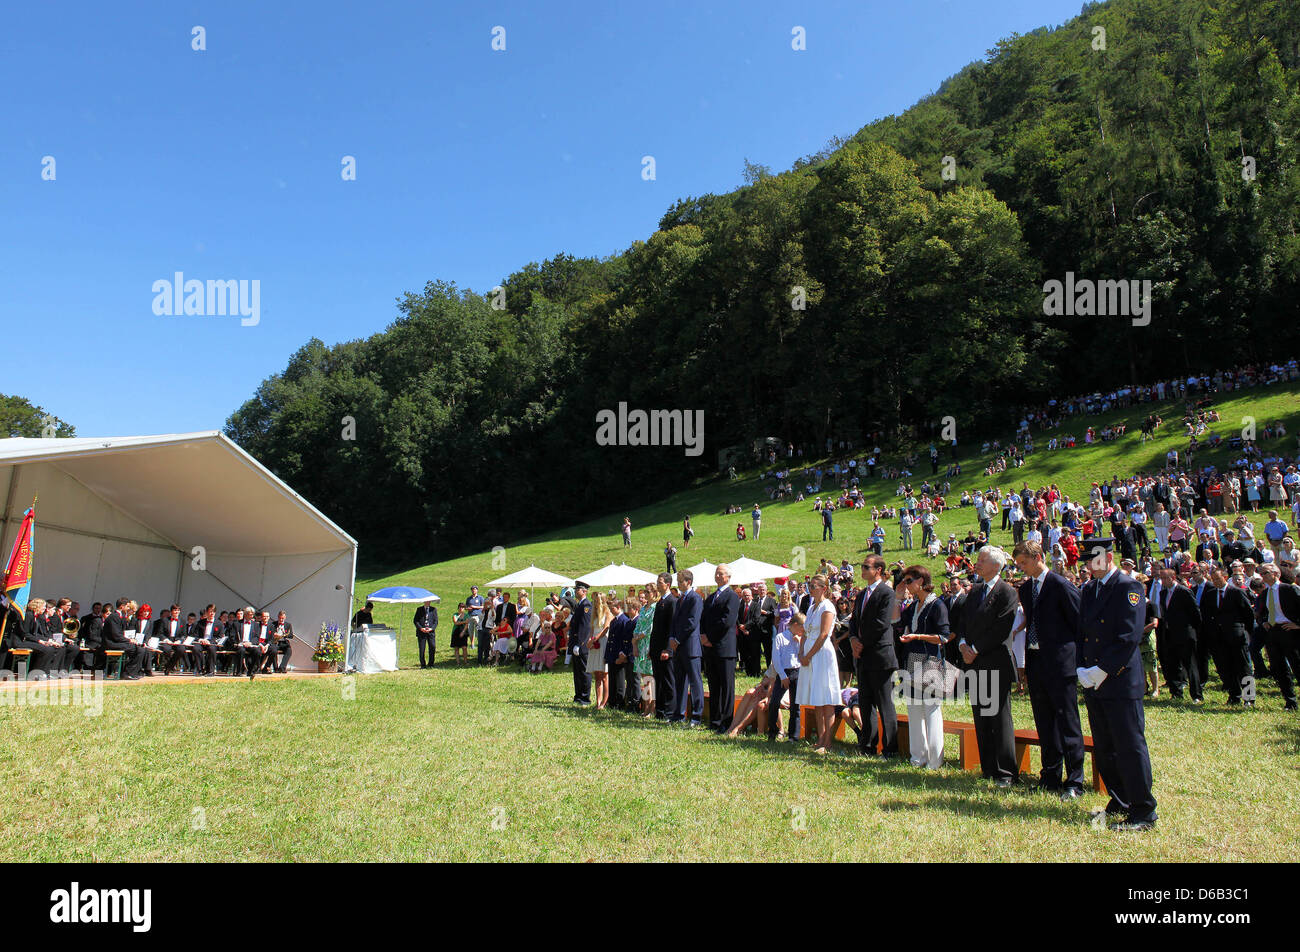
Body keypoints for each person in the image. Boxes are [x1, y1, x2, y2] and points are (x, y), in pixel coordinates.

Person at [1075, 537, 1158, 831]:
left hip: (1119, 678)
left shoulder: (1127, 586)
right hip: (1094, 680)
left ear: (1108, 557)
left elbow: (1129, 636)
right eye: (1086, 560)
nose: (1089, 564)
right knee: (1106, 746)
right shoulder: (1089, 589)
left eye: (1093, 558)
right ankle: (1120, 798)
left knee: (1129, 745)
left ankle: (1143, 809)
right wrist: (1082, 668)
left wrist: (1102, 670)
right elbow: (1082, 632)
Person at [1013, 540, 1086, 799]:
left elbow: (1079, 623)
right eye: (1018, 564)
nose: (1021, 568)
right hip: (1036, 660)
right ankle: (1051, 775)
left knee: (1067, 720)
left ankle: (1075, 780)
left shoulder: (1060, 585)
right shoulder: (1027, 588)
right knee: (1044, 721)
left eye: (1024, 562)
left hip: (1060, 662)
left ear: (1038, 557)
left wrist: (1078, 660)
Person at [957, 546, 1020, 787]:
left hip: (994, 661)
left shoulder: (1007, 592)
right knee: (981, 716)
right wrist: (963, 644)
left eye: (982, 560)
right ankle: (989, 768)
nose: (977, 563)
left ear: (996, 565)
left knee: (999, 718)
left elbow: (1001, 629)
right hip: (974, 662)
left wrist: (976, 649)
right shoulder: (975, 591)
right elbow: (962, 621)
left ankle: (1006, 772)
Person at [894, 565, 950, 769]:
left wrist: (917, 636)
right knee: (914, 710)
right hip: (912, 660)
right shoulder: (913, 606)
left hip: (931, 661)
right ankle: (918, 757)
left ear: (921, 581)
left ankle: (935, 761)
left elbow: (943, 637)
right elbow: (895, 620)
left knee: (931, 710)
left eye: (909, 581)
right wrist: (898, 596)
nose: (906, 585)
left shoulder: (937, 605)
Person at [849, 554, 899, 758]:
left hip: (879, 654)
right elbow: (854, 620)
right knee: (866, 702)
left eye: (866, 566)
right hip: (862, 655)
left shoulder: (887, 593)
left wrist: (862, 642)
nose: (862, 569)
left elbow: (882, 623)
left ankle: (890, 748)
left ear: (878, 570)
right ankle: (868, 745)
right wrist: (853, 639)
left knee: (884, 703)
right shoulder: (861, 595)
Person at [796, 574, 840, 753]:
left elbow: (823, 634)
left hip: (821, 654)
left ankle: (827, 740)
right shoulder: (812, 607)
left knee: (826, 697)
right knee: (817, 697)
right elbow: (805, 631)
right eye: (809, 585)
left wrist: (810, 654)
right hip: (809, 652)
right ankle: (820, 737)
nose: (811, 588)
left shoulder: (827, 606)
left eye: (814, 585)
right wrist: (801, 652)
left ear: (823, 588)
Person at [1201, 565, 1254, 704]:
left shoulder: (1236, 592)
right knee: (1225, 667)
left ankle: (1249, 697)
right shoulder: (1210, 594)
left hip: (1236, 636)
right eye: (1213, 580)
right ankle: (1234, 696)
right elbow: (1206, 614)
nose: (1216, 582)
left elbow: (1248, 614)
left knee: (1243, 667)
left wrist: (1245, 631)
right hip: (1218, 638)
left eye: (1218, 579)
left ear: (1225, 578)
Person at [1152, 566, 1202, 702]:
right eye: (1160, 578)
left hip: (1185, 634)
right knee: (1172, 664)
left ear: (1172, 578)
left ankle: (1196, 695)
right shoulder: (1163, 593)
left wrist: (1192, 630)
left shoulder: (1184, 591)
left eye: (1164, 578)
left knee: (1189, 665)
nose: (1162, 581)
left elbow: (1195, 613)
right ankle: (1176, 692)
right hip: (1169, 634)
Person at [701, 564, 741, 733]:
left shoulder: (732, 596)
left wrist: (711, 637)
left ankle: (726, 721)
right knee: (714, 685)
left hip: (724, 648)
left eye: (721, 573)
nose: (717, 576)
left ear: (728, 577)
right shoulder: (710, 598)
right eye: (716, 573)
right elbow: (703, 619)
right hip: (710, 648)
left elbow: (727, 621)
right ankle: (715, 720)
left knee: (726, 686)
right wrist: (703, 636)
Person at [1256, 564, 1300, 710]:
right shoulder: (1265, 593)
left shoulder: (1289, 589)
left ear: (1276, 573)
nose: (1262, 576)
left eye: (1265, 573)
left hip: (1290, 631)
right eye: (1261, 574)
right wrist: (1264, 622)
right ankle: (1290, 701)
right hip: (1274, 632)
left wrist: (1297, 624)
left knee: (1297, 665)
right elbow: (1260, 613)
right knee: (1279, 668)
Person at [668, 569, 704, 726]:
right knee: (680, 681)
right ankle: (679, 714)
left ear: (688, 582)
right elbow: (674, 621)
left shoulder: (695, 598)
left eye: (680, 581)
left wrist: (677, 638)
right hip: (678, 646)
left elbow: (692, 622)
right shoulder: (680, 599)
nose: (678, 584)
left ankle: (696, 715)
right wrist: (671, 637)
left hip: (690, 646)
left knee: (695, 682)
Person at [767, 611, 802, 741]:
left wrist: (799, 643)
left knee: (795, 705)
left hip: (797, 671)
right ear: (796, 624)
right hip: (783, 672)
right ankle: (772, 730)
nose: (802, 630)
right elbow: (776, 659)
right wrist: (782, 676)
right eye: (801, 627)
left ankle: (794, 735)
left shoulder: (800, 639)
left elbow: (802, 657)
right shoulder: (780, 637)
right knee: (774, 702)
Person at [648, 573, 677, 720]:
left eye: (660, 582)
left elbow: (671, 628)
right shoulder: (660, 602)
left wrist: (668, 649)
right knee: (658, 679)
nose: (657, 585)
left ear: (668, 584)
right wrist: (651, 648)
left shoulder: (672, 601)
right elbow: (656, 628)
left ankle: (669, 711)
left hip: (665, 649)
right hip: (656, 648)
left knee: (668, 680)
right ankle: (660, 711)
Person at [606, 596, 639, 710]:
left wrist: (625, 654)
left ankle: (632, 703)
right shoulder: (626, 621)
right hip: (622, 654)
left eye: (630, 608)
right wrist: (621, 652)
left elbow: (630, 640)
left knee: (633, 681)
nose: (628, 610)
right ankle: (622, 701)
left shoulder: (630, 621)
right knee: (628, 680)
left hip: (631, 655)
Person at [632, 587, 656, 715]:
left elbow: (650, 628)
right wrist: (635, 641)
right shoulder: (643, 608)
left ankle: (652, 708)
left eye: (648, 592)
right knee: (644, 677)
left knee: (650, 678)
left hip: (649, 643)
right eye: (644, 592)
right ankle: (646, 706)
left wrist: (639, 636)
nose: (645, 594)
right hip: (640, 644)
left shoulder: (655, 608)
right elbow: (638, 625)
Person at [569, 582, 593, 705]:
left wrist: (580, 643)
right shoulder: (579, 604)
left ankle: (585, 697)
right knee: (577, 671)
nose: (576, 591)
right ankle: (578, 695)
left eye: (577, 589)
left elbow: (585, 627)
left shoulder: (586, 605)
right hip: (575, 643)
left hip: (582, 644)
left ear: (584, 591)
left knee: (584, 671)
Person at [588, 592, 613, 709]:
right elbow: (592, 629)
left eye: (598, 601)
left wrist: (595, 639)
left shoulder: (607, 613)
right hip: (594, 644)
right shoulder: (594, 615)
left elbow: (606, 628)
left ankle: (605, 701)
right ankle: (598, 701)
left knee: (604, 674)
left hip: (603, 643)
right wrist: (590, 640)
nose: (596, 604)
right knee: (597, 674)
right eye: (595, 601)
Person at [414, 599, 438, 668]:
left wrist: (432, 628)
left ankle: (431, 664)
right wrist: (421, 628)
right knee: (422, 649)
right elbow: (415, 621)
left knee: (432, 647)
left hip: (430, 632)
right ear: (424, 601)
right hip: (422, 632)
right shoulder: (419, 609)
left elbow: (436, 621)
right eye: (427, 601)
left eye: (429, 601)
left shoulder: (433, 609)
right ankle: (423, 664)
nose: (428, 602)